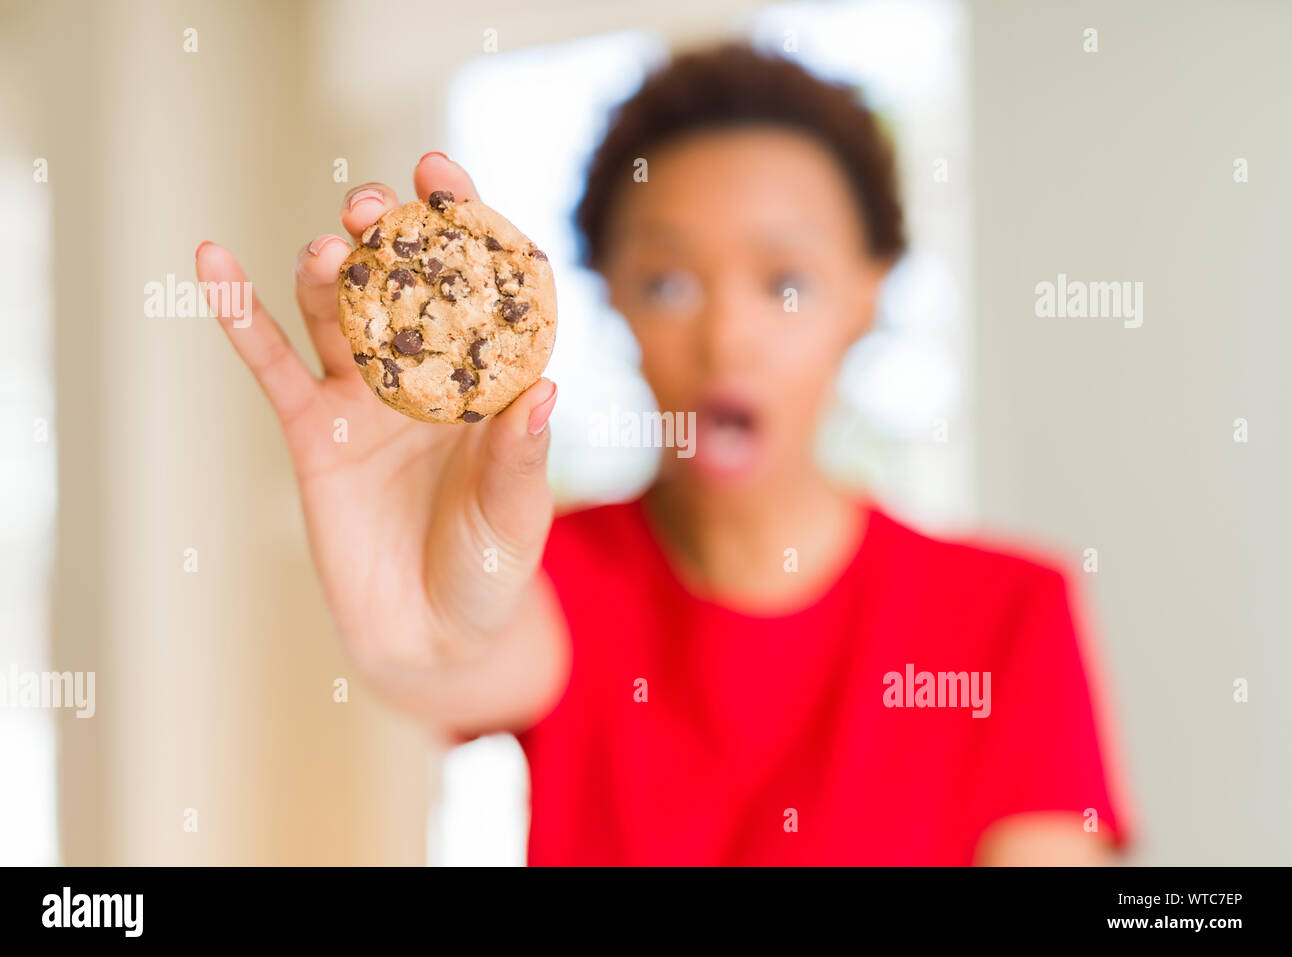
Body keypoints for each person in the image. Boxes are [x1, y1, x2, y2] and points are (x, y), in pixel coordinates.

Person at [195, 44, 1131, 865]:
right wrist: (421, 636)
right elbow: (464, 651)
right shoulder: (552, 574)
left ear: (868, 297)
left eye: (786, 281)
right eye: (671, 280)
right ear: (610, 301)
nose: (727, 337)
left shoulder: (1008, 615)